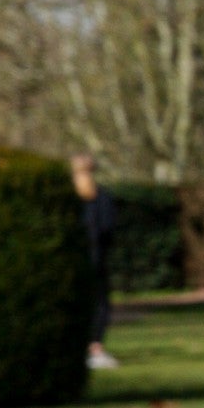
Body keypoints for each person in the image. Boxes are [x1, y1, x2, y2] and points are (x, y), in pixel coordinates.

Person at [73, 154, 122, 372]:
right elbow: (109, 228)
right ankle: (95, 347)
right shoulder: (101, 197)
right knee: (100, 302)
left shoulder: (67, 197)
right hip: (95, 257)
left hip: (76, 259)